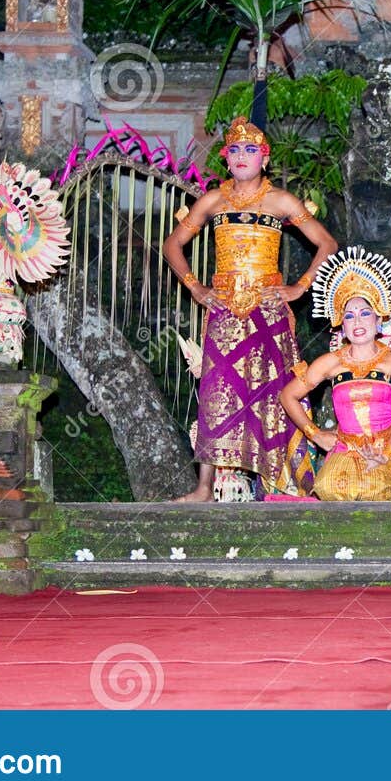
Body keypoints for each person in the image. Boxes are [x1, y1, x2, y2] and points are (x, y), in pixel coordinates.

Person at [162, 117, 337, 501]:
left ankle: (279, 483)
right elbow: (172, 244)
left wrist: (298, 288)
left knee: (274, 391)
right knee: (216, 390)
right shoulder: (213, 200)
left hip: (269, 309)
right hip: (224, 308)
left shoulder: (281, 201)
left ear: (264, 158)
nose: (242, 156)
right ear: (226, 159)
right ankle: (204, 488)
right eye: (235, 150)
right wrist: (196, 287)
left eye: (251, 149)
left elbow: (326, 243)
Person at [277, 248, 391, 501]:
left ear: (378, 320)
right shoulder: (330, 363)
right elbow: (288, 395)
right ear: (342, 327)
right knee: (329, 489)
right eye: (349, 316)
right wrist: (314, 434)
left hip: (387, 444)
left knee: (372, 491)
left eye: (364, 313)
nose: (357, 322)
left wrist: (386, 452)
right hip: (345, 445)